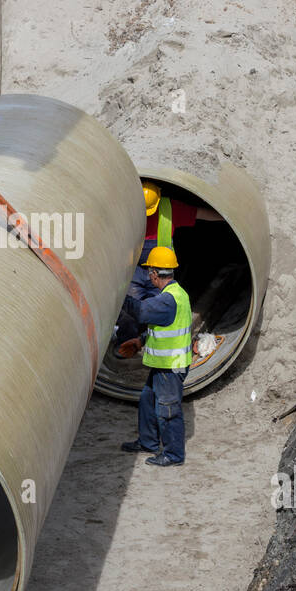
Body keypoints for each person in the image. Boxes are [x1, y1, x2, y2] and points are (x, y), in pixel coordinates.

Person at [114, 182, 220, 356]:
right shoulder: (125, 209)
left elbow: (200, 213)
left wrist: (230, 217)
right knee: (128, 311)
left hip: (161, 272)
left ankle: (152, 345)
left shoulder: (169, 209)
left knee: (159, 311)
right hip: (134, 269)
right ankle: (126, 345)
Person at [120, 245, 191, 467]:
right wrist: (141, 341)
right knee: (147, 401)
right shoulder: (172, 295)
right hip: (163, 364)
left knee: (167, 409)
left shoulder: (167, 300)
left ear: (154, 274)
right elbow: (162, 326)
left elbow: (141, 311)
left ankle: (173, 454)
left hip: (170, 366)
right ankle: (148, 442)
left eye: (149, 271)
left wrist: (118, 292)